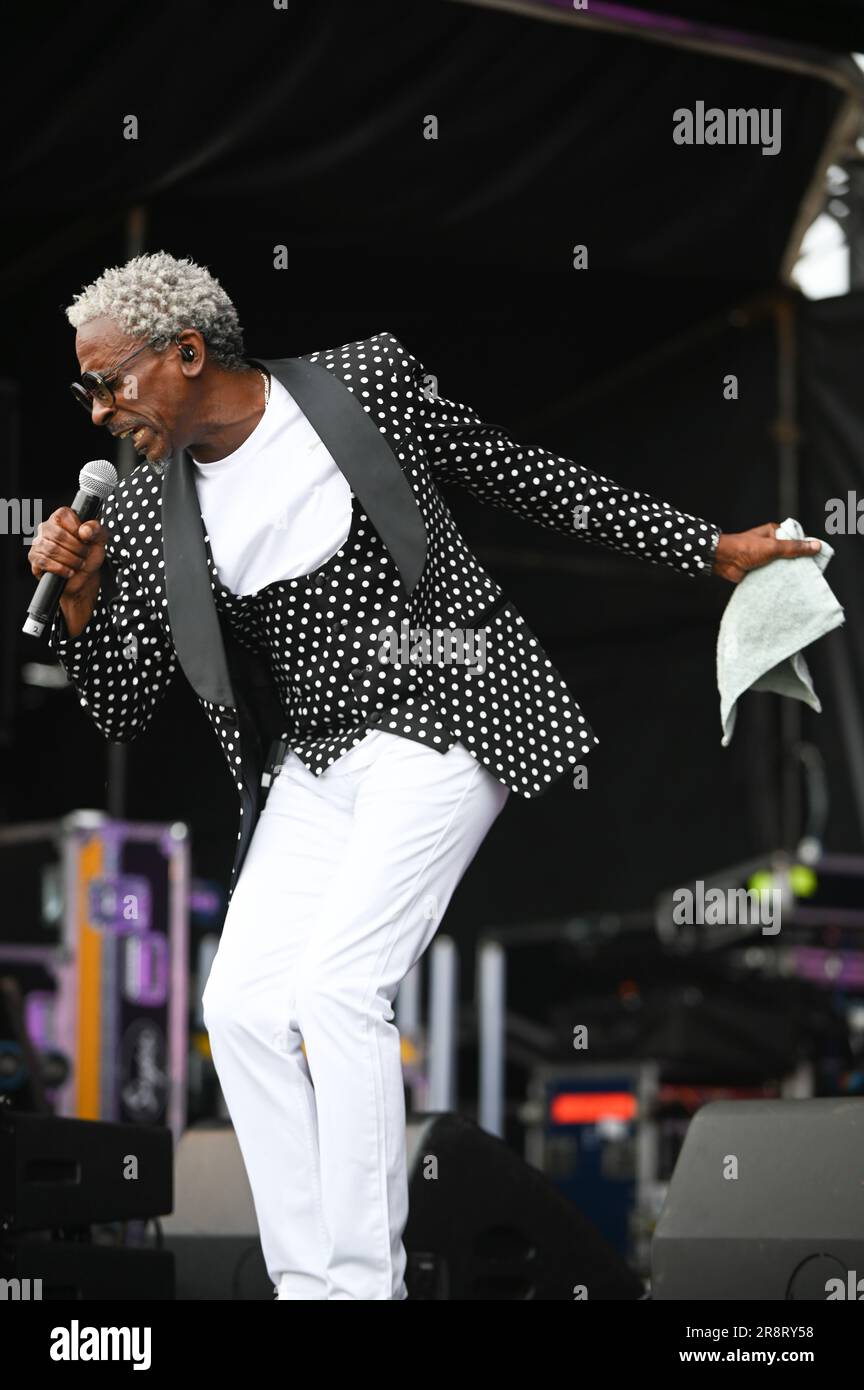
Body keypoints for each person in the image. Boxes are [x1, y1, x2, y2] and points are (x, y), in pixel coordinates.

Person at [30, 252, 820, 1300]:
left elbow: (519, 472)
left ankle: (364, 1290)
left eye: (110, 380)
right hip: (314, 761)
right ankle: (311, 1285)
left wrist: (709, 548)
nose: (98, 413)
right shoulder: (136, 512)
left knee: (335, 987)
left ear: (186, 353)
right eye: (83, 388)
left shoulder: (357, 384)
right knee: (247, 1005)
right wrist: (80, 605)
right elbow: (123, 705)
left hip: (447, 713)